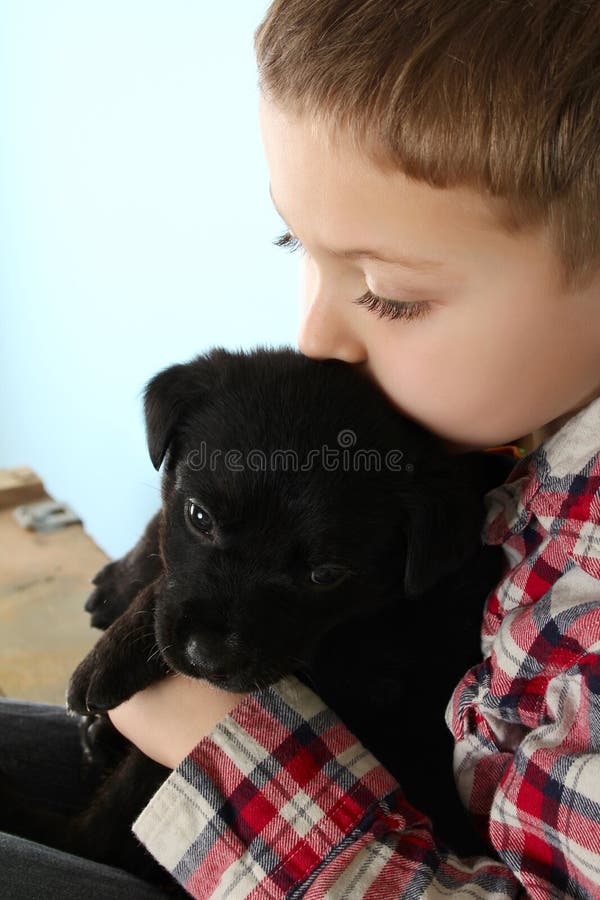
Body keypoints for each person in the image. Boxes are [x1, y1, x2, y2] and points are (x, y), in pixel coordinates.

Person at [3, 0, 600, 896]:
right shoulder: (525, 441)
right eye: (299, 245)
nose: (318, 338)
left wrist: (220, 741)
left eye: (392, 295)